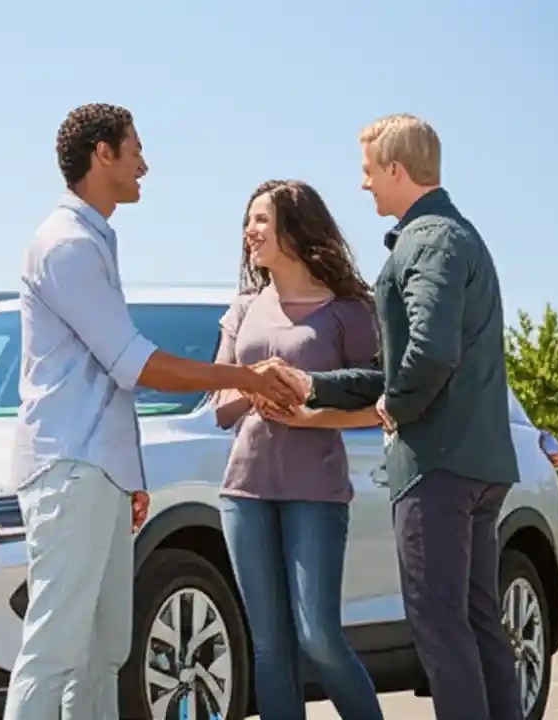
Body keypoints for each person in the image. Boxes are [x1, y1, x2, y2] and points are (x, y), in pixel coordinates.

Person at [4, 103, 305, 720]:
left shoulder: (92, 240)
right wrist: (244, 376)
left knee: (104, 648)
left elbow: (105, 382)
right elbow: (133, 363)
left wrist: (129, 477)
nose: (146, 163)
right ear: (102, 154)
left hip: (99, 472)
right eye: (135, 148)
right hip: (68, 469)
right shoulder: (65, 245)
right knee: (57, 647)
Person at [278, 114, 521, 720]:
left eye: (367, 172)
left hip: (437, 465)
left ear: (395, 169)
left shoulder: (428, 239)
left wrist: (395, 406)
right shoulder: (456, 235)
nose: (363, 187)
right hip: (477, 462)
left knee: (441, 624)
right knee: (476, 621)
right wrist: (313, 383)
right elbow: (399, 365)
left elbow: (428, 357)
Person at [212, 179, 386, 720]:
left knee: (318, 637)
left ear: (294, 226)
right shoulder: (242, 308)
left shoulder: (350, 310)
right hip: (245, 490)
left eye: (261, 219)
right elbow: (220, 405)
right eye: (248, 221)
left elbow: (380, 400)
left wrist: (311, 414)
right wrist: (254, 386)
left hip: (317, 491)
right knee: (268, 646)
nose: (250, 232)